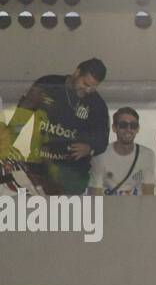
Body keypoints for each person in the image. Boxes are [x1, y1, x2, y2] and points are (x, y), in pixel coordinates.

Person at [4, 57, 109, 196]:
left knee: (64, 216)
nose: (87, 89)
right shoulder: (48, 85)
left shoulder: (97, 104)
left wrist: (90, 148)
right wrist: (6, 145)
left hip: (71, 175)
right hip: (38, 167)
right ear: (77, 73)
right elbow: (20, 118)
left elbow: (102, 140)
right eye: (85, 83)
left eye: (93, 87)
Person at [89, 107, 156, 196]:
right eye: (123, 125)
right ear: (114, 128)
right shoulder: (100, 156)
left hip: (137, 208)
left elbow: (148, 195)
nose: (128, 129)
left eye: (133, 125)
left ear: (137, 129)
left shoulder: (147, 155)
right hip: (108, 208)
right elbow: (95, 196)